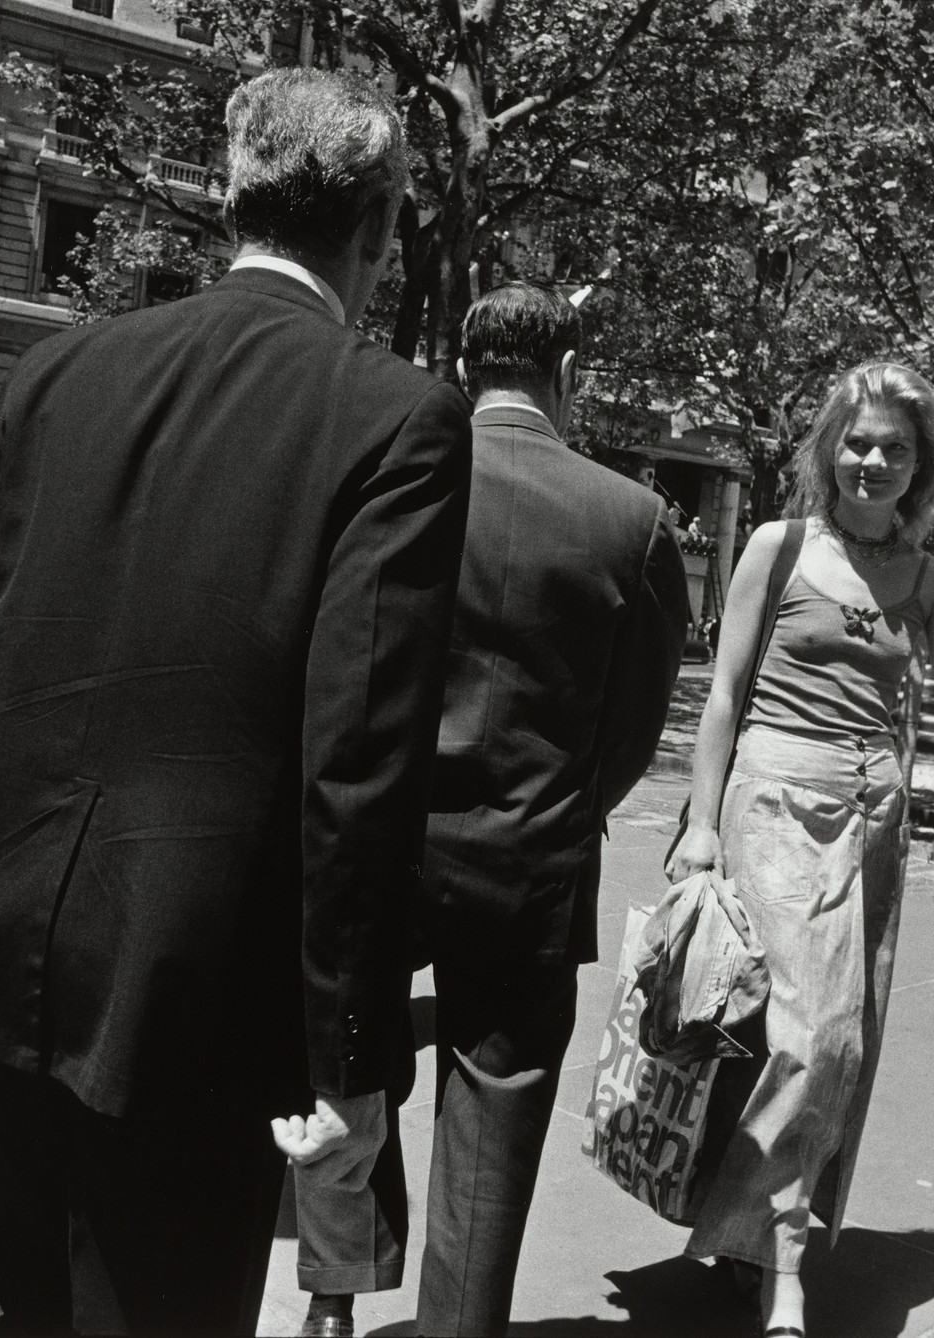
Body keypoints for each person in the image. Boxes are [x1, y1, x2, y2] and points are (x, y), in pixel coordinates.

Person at [0, 68, 473, 1335]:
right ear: (375, 231)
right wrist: (351, 1054)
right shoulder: (398, 418)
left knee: (7, 1274)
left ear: (226, 194)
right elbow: (357, 765)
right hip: (197, 992)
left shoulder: (58, 372)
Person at [289, 285, 689, 1338]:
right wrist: (559, 803)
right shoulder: (630, 519)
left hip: (378, 842)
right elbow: (633, 729)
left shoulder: (393, 478)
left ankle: (331, 1301)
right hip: (529, 858)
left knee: (347, 1067)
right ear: (567, 377)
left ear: (466, 369)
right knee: (491, 1120)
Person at [666, 362, 934, 1338]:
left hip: (869, 821)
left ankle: (752, 1235)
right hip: (771, 807)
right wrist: (700, 828)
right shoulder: (776, 545)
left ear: (920, 466)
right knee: (809, 1037)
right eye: (858, 441)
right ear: (828, 447)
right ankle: (781, 1268)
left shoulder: (926, 580)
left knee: (829, 1043)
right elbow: (723, 694)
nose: (872, 460)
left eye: (894, 447)